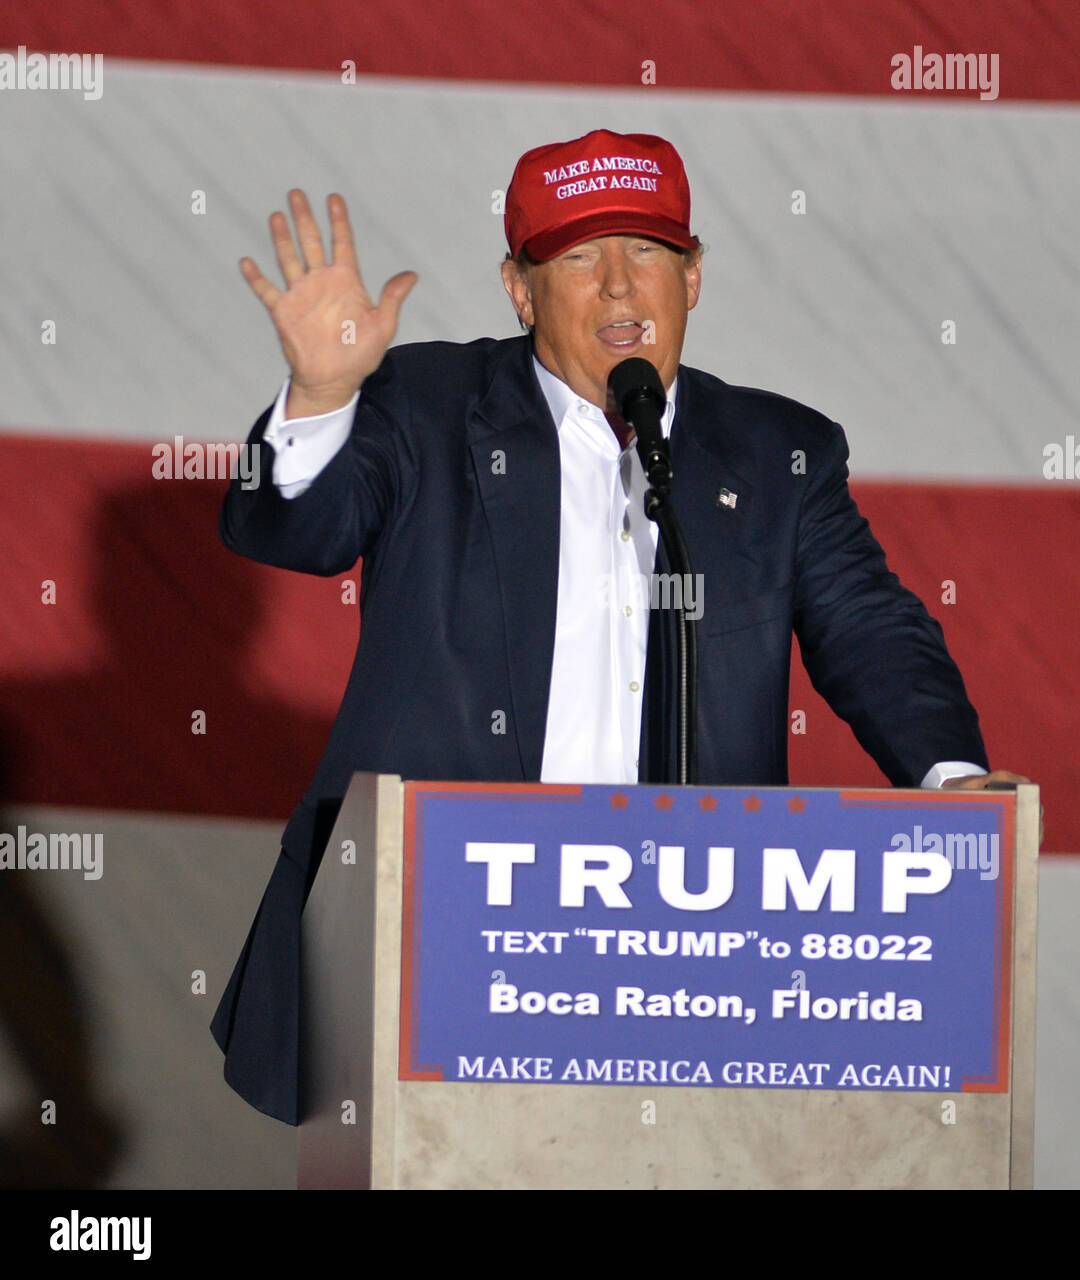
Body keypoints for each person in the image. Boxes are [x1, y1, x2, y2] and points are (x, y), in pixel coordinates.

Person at [210, 129, 1031, 1124]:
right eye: (577, 258)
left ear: (693, 278)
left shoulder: (778, 451)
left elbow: (868, 625)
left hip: (684, 959)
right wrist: (323, 397)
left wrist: (949, 780)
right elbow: (298, 525)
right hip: (448, 941)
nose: (617, 289)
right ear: (519, 289)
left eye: (645, 252)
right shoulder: (424, 408)